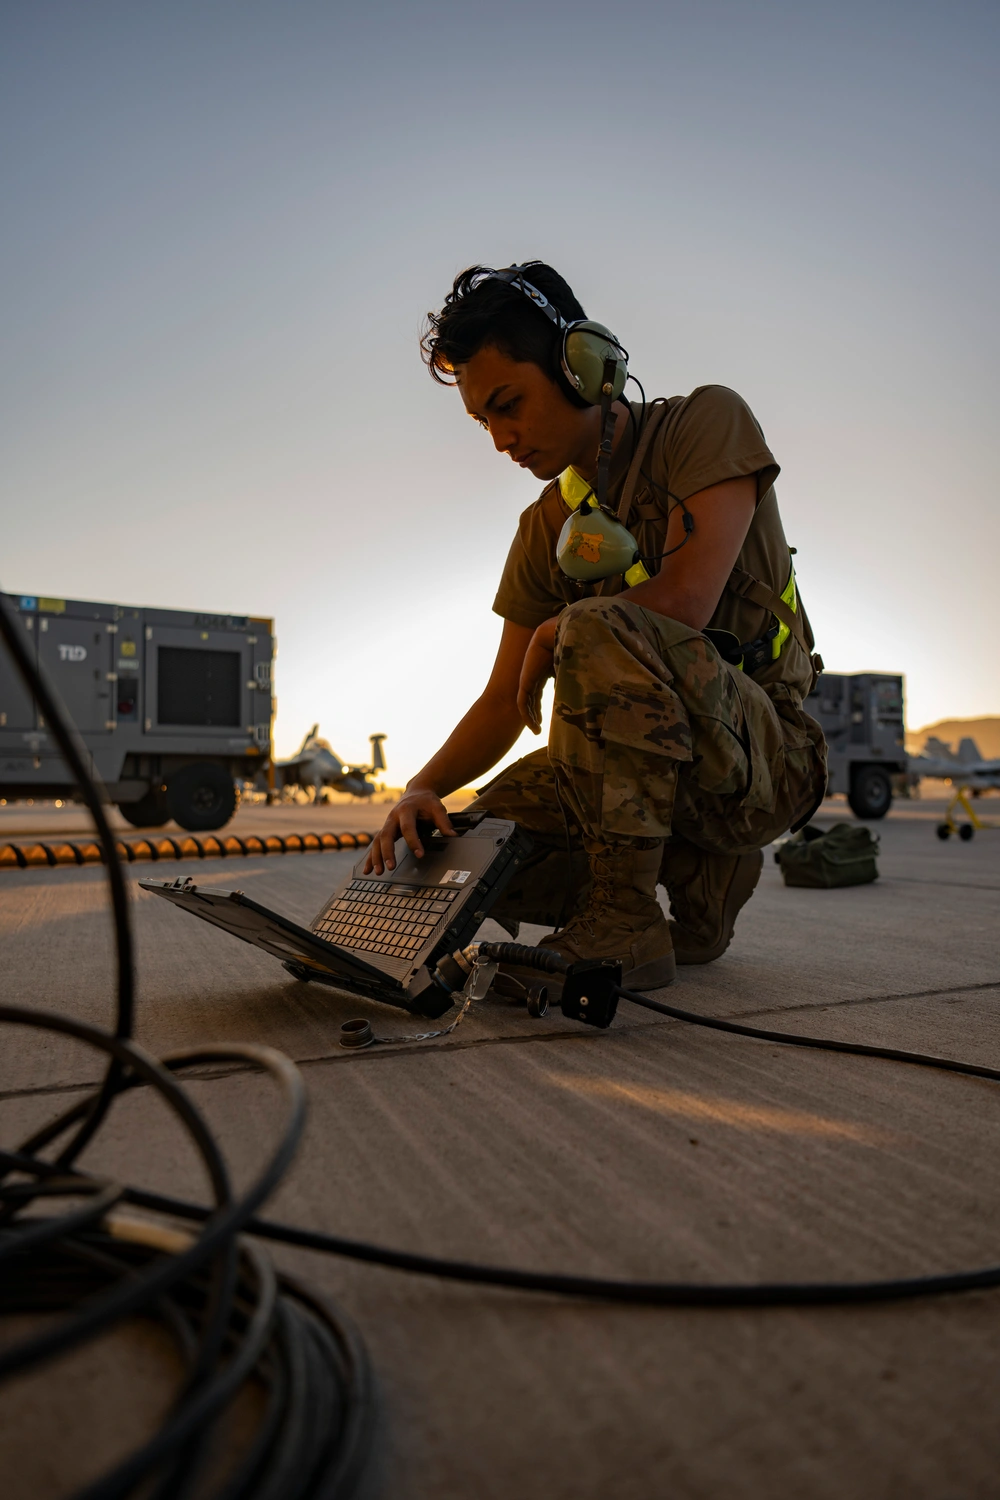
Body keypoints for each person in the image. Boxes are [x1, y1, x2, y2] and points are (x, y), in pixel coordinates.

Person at [366, 262, 827, 990]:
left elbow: (688, 599)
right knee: (466, 850)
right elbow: (502, 702)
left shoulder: (705, 424)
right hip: (647, 765)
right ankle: (689, 871)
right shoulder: (544, 526)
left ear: (581, 365)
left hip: (764, 755)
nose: (501, 439)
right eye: (484, 421)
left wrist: (559, 629)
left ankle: (623, 923)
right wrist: (418, 791)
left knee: (592, 627)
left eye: (509, 405)